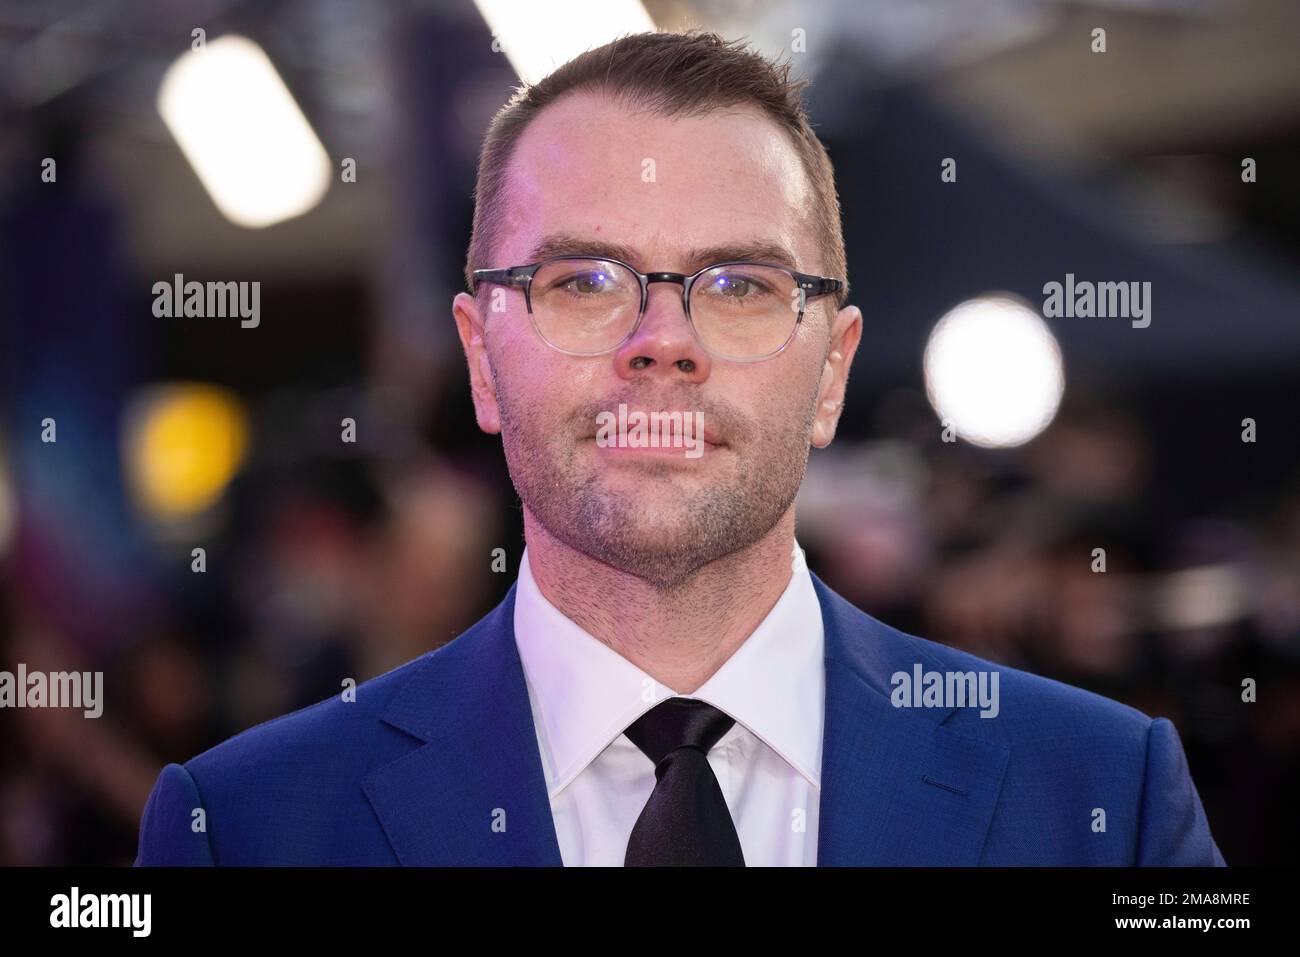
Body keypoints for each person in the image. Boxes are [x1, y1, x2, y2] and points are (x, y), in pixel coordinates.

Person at [135, 30, 1224, 867]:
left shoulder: (1100, 798)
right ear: (479, 358)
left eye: (740, 287)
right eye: (584, 283)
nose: (663, 344)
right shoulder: (246, 830)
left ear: (831, 370)